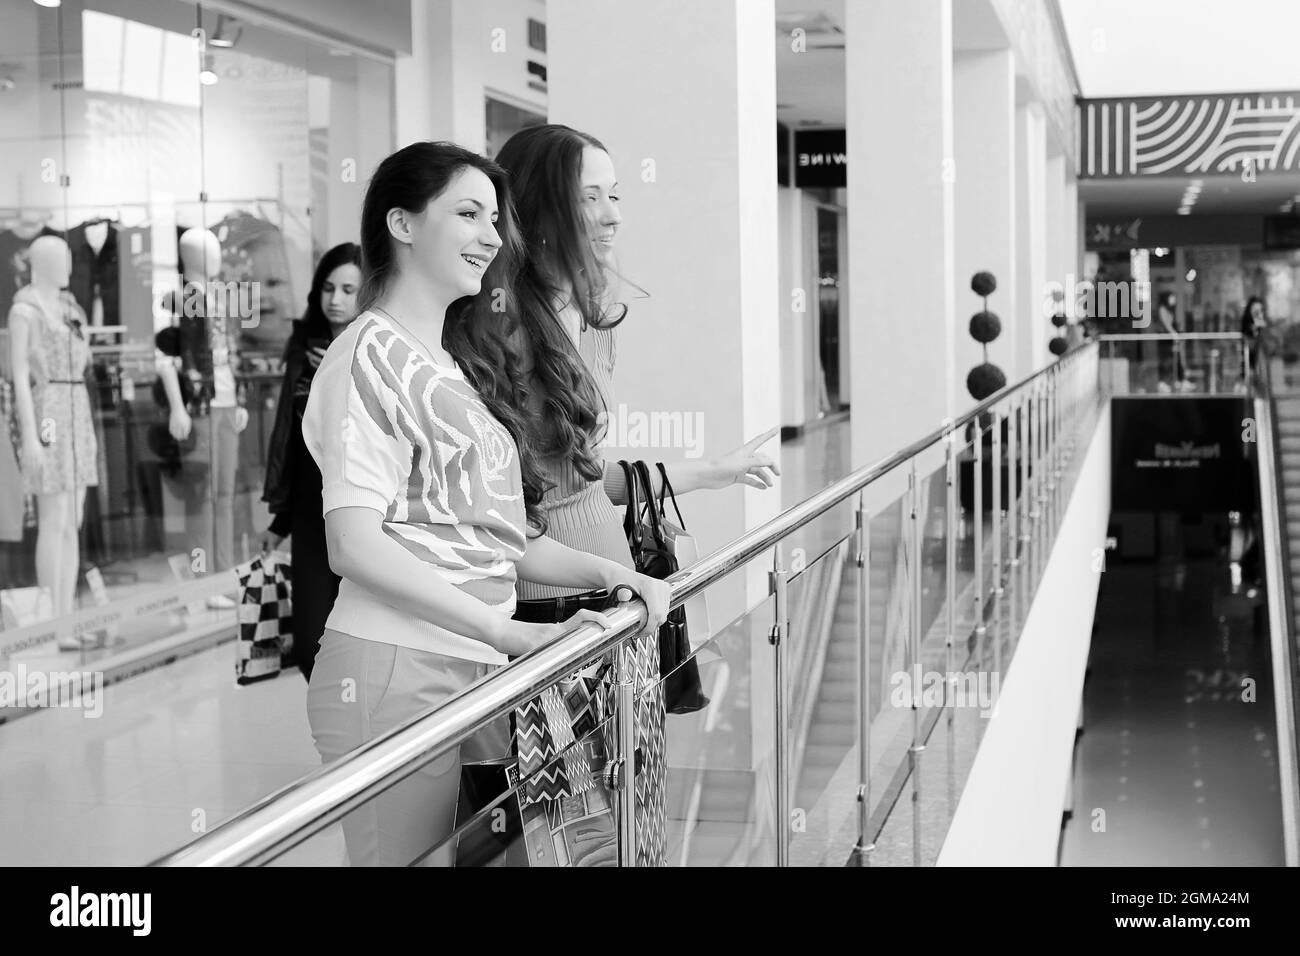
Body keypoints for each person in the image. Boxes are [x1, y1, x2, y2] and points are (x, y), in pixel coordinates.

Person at [301, 141, 670, 867]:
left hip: (471, 664)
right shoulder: (365, 355)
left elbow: (503, 540)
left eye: (495, 220)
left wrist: (612, 576)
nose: (492, 237)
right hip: (395, 666)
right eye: (468, 214)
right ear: (402, 224)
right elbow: (352, 543)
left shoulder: (447, 363)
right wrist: (506, 632)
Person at [494, 124, 779, 866]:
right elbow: (521, 508)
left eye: (614, 194)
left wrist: (707, 472)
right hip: (556, 612)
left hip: (617, 603)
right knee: (581, 836)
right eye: (589, 197)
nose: (613, 214)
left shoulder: (579, 321)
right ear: (539, 208)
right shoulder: (505, 333)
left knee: (635, 819)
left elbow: (580, 481)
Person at [260, 241, 362, 680]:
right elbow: (292, 438)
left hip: (362, 513)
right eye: (328, 288)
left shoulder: (374, 347)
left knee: (356, 641)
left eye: (348, 290)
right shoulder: (303, 347)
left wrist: (338, 369)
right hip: (308, 514)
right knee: (309, 645)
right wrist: (279, 522)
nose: (335, 299)